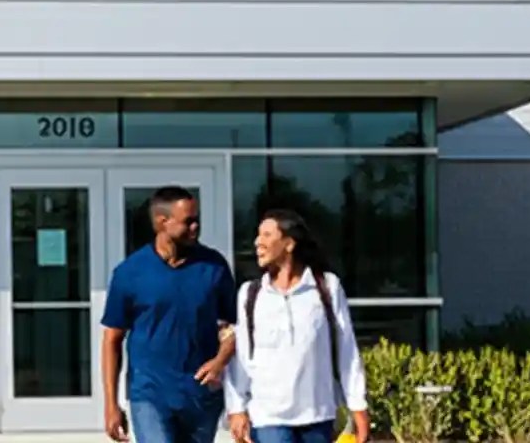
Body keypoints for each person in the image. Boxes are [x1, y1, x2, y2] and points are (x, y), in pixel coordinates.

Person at [101, 186, 238, 443]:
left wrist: (221, 359)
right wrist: (111, 404)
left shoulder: (214, 266)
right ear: (162, 222)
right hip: (150, 393)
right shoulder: (130, 272)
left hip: (201, 395)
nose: (196, 226)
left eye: (197, 220)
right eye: (188, 221)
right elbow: (112, 340)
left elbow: (231, 327)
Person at [224, 209, 370, 443]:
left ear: (289, 244)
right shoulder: (250, 294)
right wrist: (236, 408)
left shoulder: (327, 288)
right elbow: (241, 357)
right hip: (268, 418)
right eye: (258, 235)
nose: (257, 242)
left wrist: (358, 405)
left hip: (318, 415)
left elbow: (347, 350)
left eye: (267, 235)